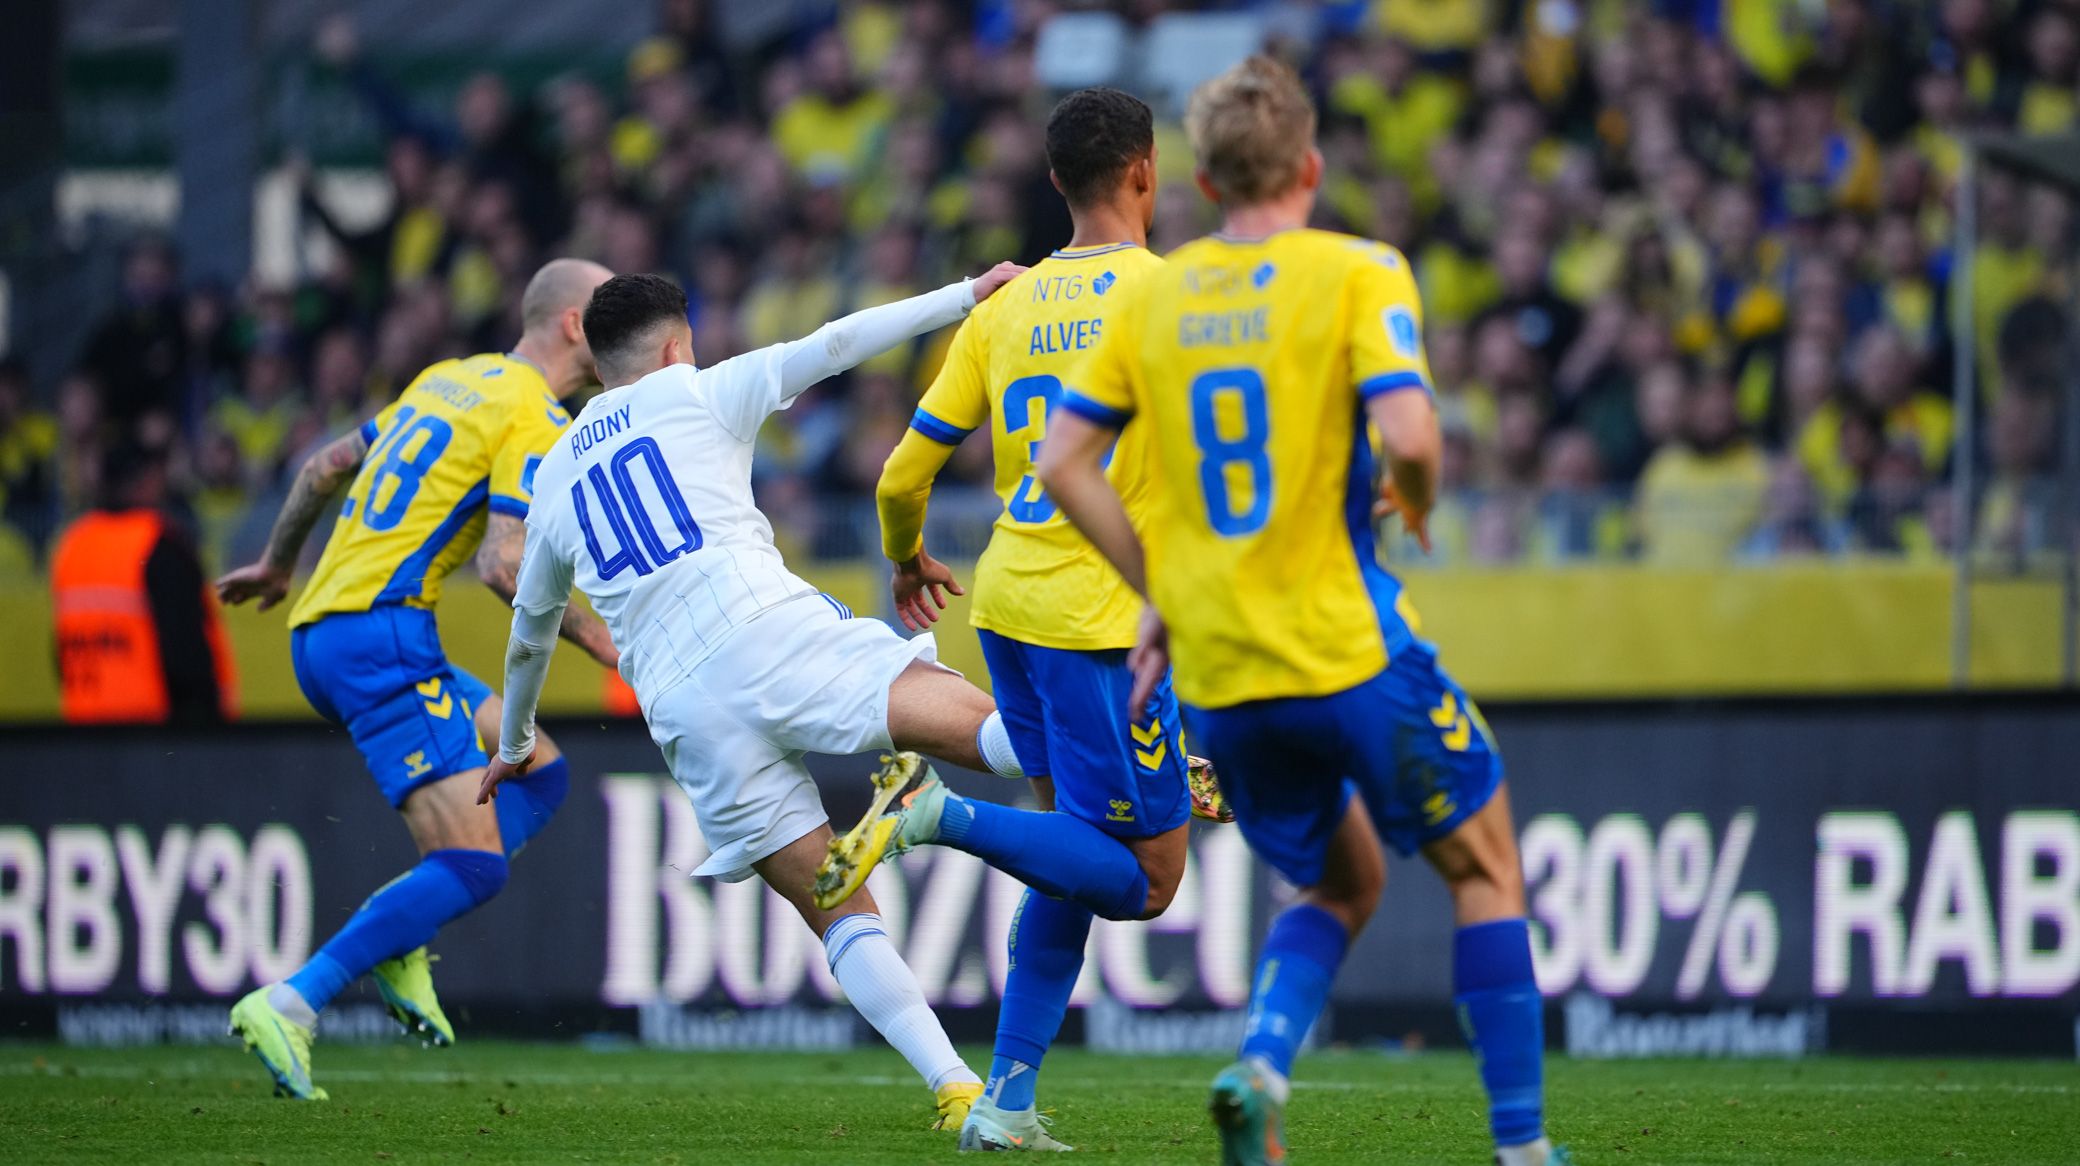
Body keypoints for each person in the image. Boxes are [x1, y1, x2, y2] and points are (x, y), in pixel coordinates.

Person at [1035, 57, 1568, 1166]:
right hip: (1347, 648)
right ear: (1310, 165)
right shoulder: (1360, 270)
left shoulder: (1159, 293)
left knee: (1339, 877)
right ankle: (1521, 1148)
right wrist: (1411, 498)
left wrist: (1160, 590)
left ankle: (1262, 1066)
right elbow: (1414, 438)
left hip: (1222, 680)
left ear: (1207, 178)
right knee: (1485, 867)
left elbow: (1062, 460)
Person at [870, 86, 1214, 1152]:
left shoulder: (1004, 307)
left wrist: (903, 558)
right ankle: (938, 815)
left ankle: (1005, 1103)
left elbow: (900, 474)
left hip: (1007, 603)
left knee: (1070, 844)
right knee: (1150, 878)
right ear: (1147, 171)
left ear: (1057, 182)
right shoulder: (1168, 297)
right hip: (1099, 625)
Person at [214, 258, 621, 1101]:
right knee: (477, 869)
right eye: (611, 311)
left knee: (541, 771)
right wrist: (609, 645)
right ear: (576, 324)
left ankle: (403, 935)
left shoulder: (448, 380)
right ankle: (293, 1000)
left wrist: (277, 564)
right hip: (381, 637)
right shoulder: (535, 417)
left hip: (331, 632)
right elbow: (503, 569)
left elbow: (326, 465)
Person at [50, 442, 237, 725]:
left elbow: (60, 650)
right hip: (151, 732)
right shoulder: (157, 543)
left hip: (83, 727)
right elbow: (186, 654)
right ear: (148, 480)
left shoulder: (72, 543)